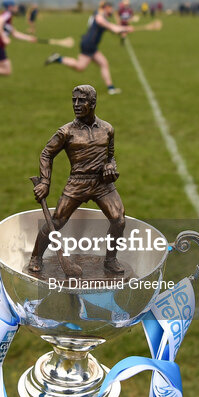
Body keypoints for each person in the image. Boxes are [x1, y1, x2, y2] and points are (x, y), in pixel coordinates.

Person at [29, 84, 125, 275]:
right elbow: (46, 154)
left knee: (118, 220)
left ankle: (110, 260)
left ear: (93, 102)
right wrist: (45, 181)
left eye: (81, 101)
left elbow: (111, 156)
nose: (76, 104)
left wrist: (110, 167)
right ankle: (36, 256)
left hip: (101, 184)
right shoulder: (66, 132)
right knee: (56, 222)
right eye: (74, 100)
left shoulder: (107, 129)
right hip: (77, 182)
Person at [44, 0, 133, 95]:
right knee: (80, 67)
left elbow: (113, 29)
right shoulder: (99, 15)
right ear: (106, 8)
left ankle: (111, 88)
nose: (111, 11)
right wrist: (124, 28)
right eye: (110, 9)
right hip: (88, 44)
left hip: (91, 45)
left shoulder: (103, 17)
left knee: (103, 63)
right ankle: (59, 58)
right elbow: (105, 24)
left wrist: (124, 29)